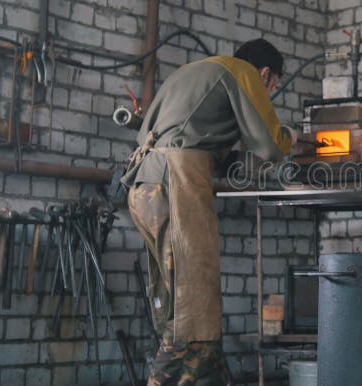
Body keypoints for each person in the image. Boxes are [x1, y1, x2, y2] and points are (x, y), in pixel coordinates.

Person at [122, 38, 296, 385]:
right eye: (274, 82)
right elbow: (271, 144)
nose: (272, 89)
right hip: (177, 185)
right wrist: (295, 137)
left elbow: (186, 134)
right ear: (264, 72)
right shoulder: (242, 72)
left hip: (144, 187)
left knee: (180, 301)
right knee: (192, 310)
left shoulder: (192, 72)